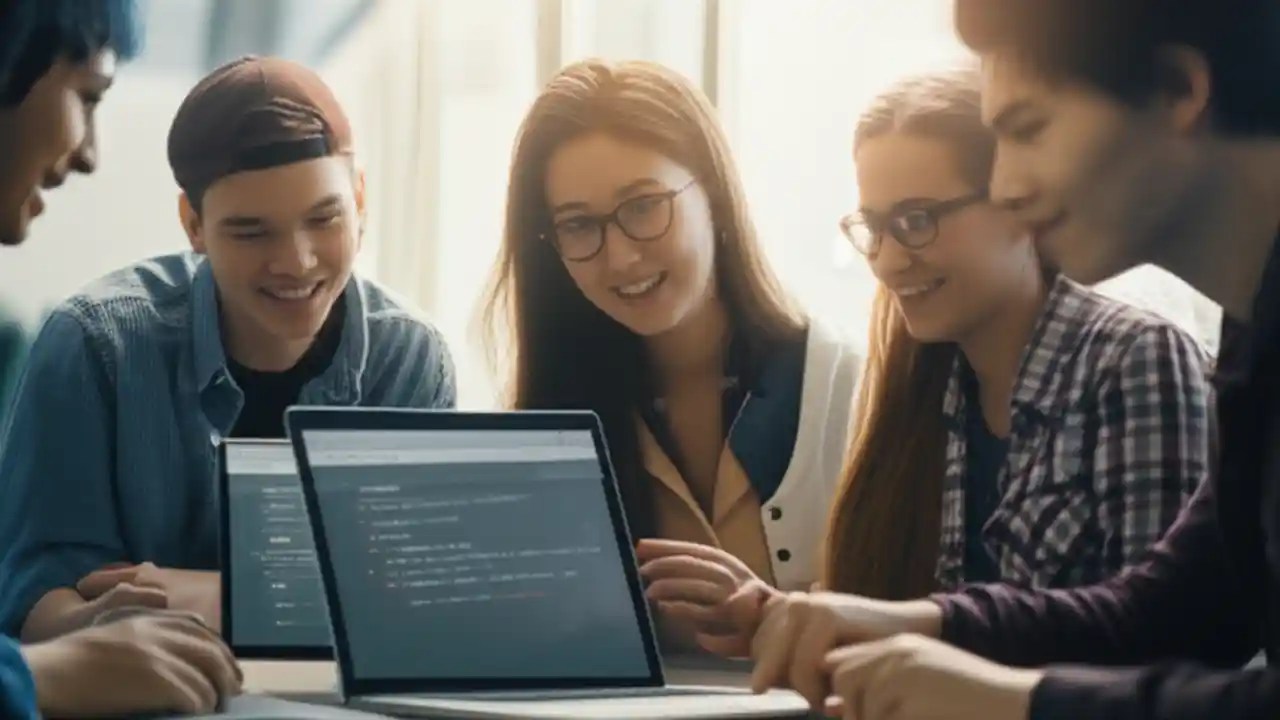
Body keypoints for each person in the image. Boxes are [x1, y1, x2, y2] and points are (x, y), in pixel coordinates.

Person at [749, 0, 1280, 718]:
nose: (1005, 187)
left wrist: (1015, 700)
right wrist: (923, 626)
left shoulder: (1149, 352)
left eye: (1029, 130)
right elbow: (1171, 609)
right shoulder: (1253, 344)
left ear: (1179, 89)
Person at [634, 69, 1213, 659]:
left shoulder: (1134, 361)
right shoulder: (928, 390)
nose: (886, 261)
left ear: (1016, 199)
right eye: (873, 229)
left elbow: (1162, 650)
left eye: (916, 222)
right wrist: (780, 617)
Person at [0, 54, 458, 644]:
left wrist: (199, 596)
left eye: (325, 218)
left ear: (361, 199)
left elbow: (418, 603)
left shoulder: (411, 358)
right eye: (251, 231)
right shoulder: (96, 344)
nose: (297, 260)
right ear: (193, 223)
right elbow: (31, 592)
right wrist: (88, 623)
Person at [482, 58, 862, 650]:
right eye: (579, 226)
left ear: (712, 192)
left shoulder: (844, 386)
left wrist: (776, 616)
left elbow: (908, 622)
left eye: (642, 207)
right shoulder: (553, 413)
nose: (621, 258)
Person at [0, 0, 241, 717]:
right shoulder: (94, 337)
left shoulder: (408, 351)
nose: (88, 153)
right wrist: (47, 676)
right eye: (87, 96)